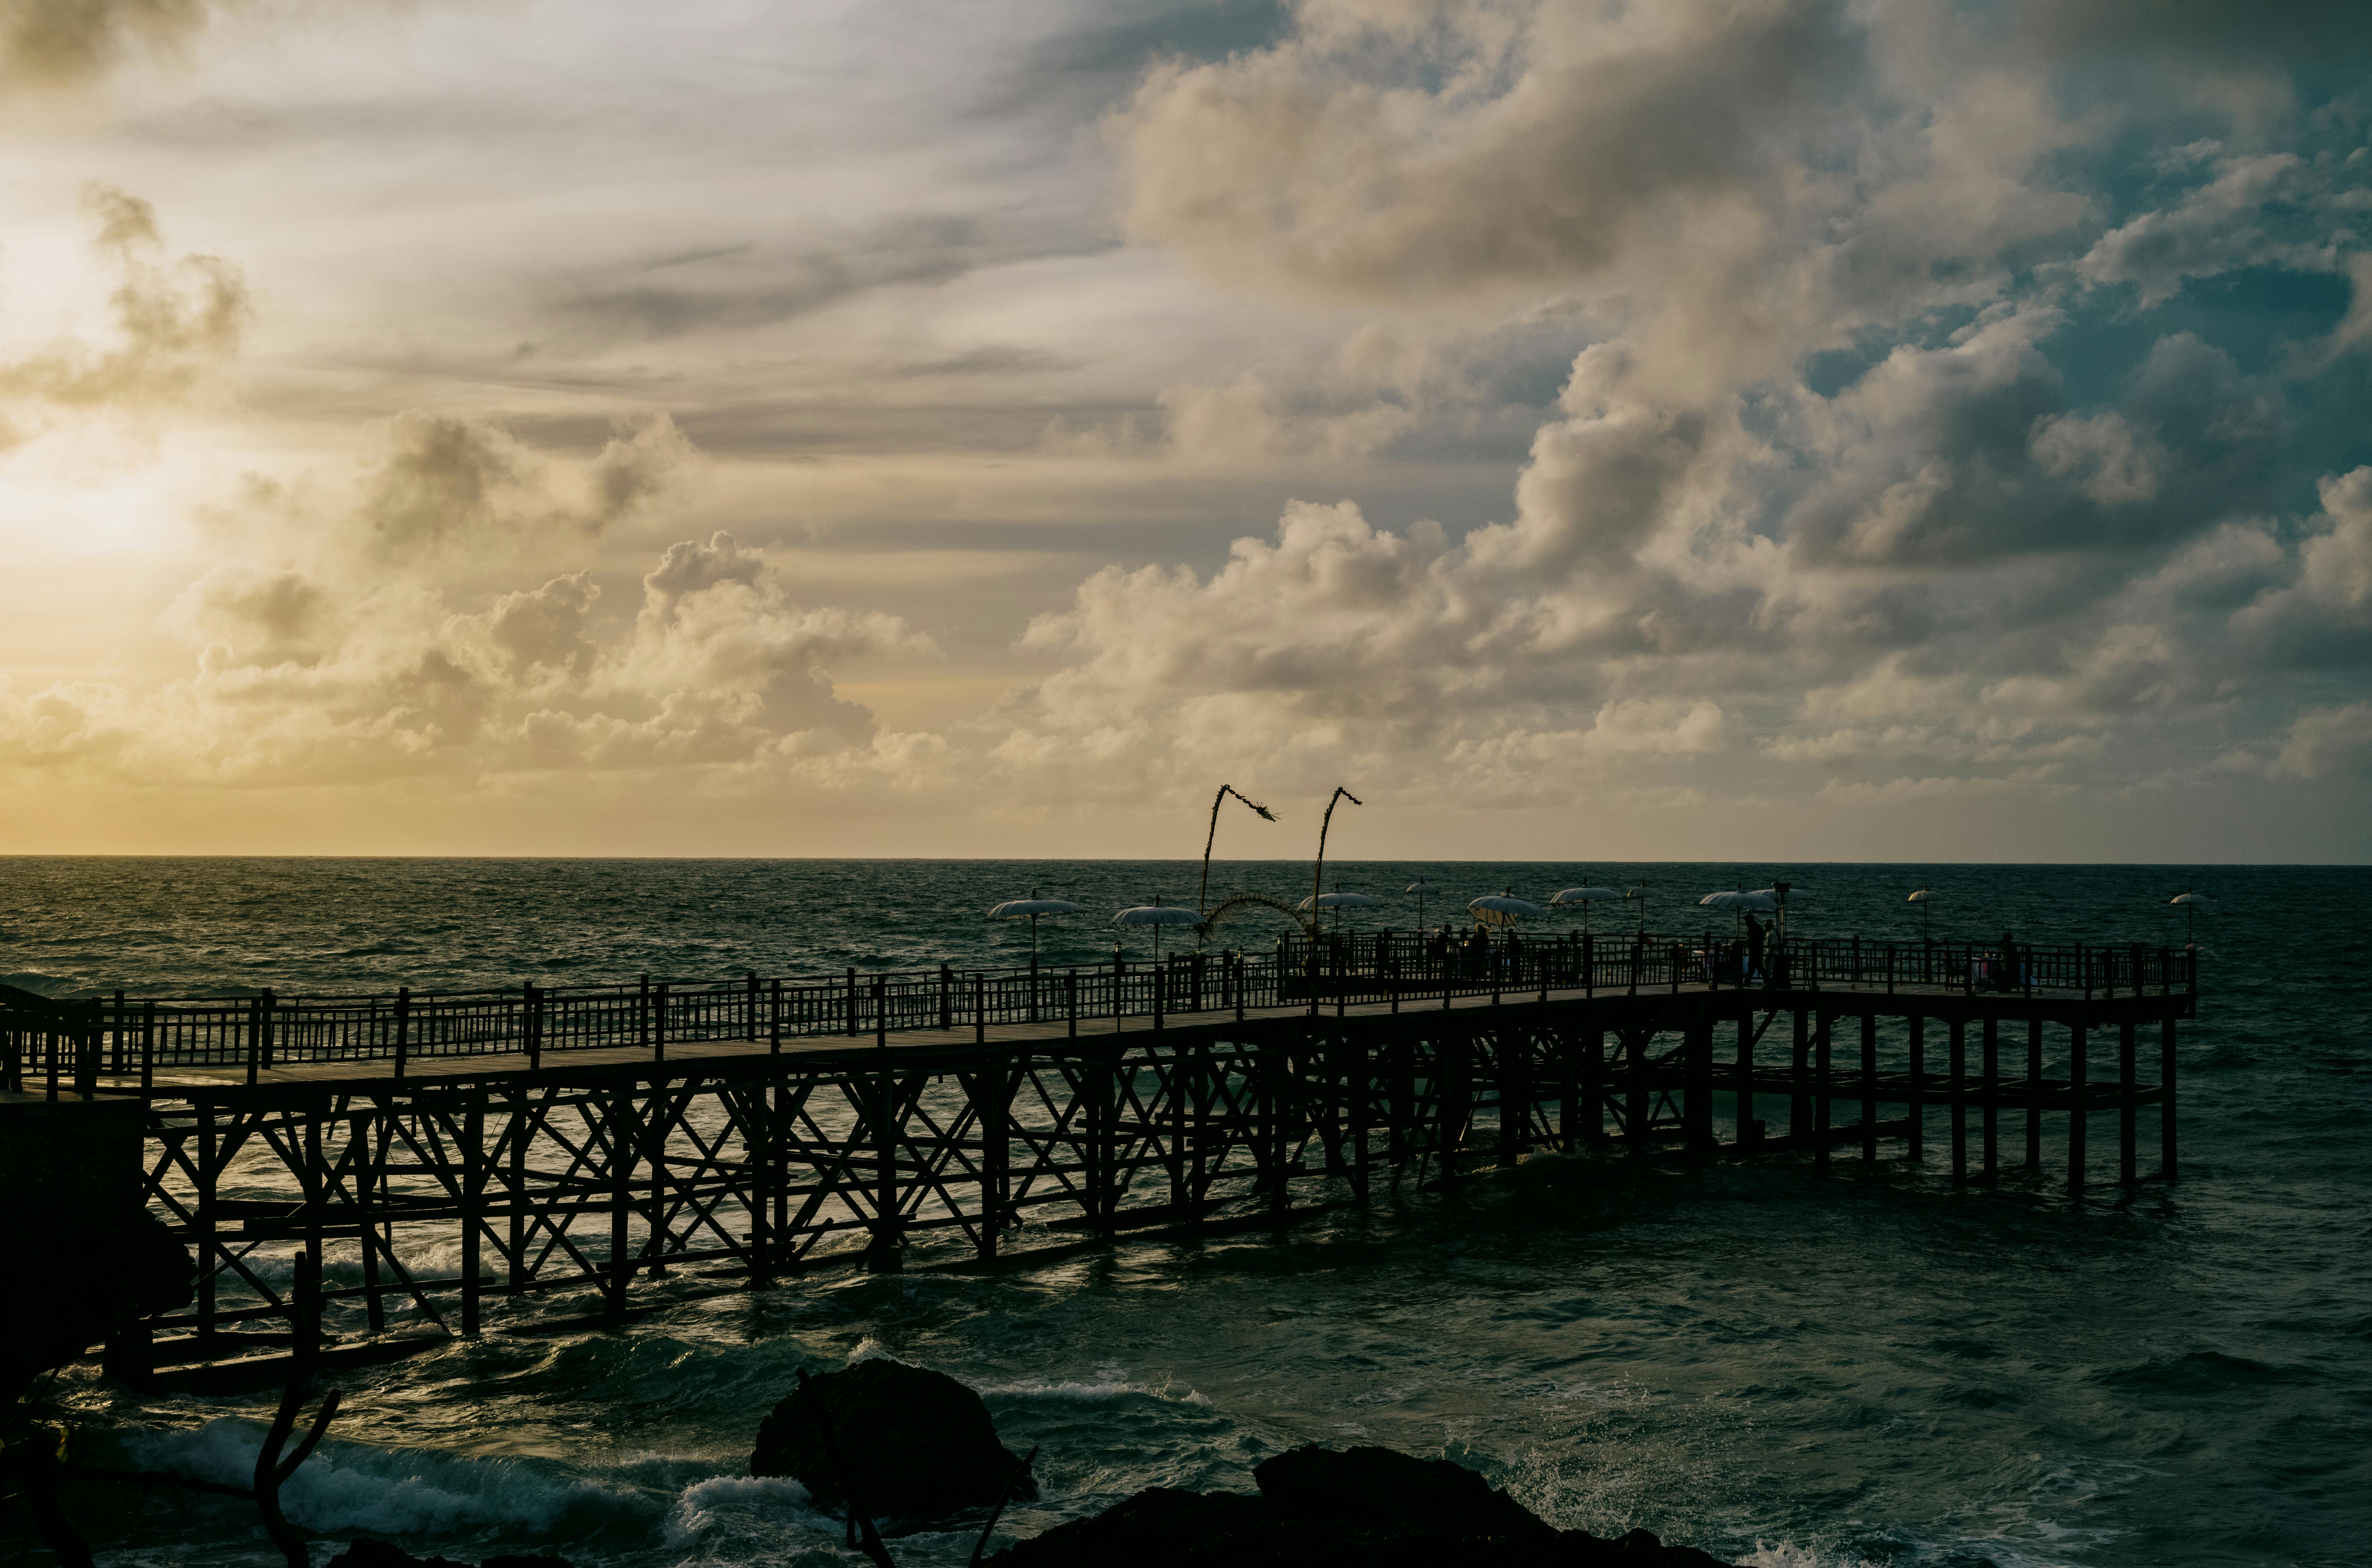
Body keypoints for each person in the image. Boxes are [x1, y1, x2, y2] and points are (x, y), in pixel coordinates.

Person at [1743, 912, 1767, 984]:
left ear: (1749, 921)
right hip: (1757, 949)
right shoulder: (1757, 926)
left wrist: (1745, 942)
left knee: (1757, 966)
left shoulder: (1753, 927)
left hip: (1756, 950)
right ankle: (1749, 980)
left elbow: (1752, 935)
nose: (1745, 923)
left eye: (1746, 922)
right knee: (1752, 965)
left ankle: (1767, 980)